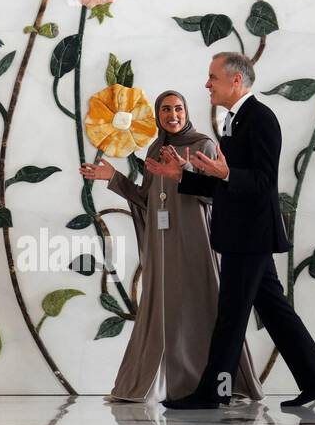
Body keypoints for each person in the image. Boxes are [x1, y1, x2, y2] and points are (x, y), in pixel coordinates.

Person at [148, 52, 315, 409]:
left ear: (236, 80)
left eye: (212, 77)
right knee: (274, 309)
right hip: (241, 234)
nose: (206, 84)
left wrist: (225, 173)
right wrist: (183, 177)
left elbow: (264, 182)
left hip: (250, 236)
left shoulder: (261, 119)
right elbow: (228, 189)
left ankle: (212, 392)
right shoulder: (233, 121)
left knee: (231, 315)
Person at [80, 90, 263, 404]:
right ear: (157, 115)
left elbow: (217, 194)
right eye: (166, 110)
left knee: (202, 306)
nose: (173, 115)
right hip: (162, 245)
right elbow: (147, 200)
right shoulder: (157, 147)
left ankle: (216, 382)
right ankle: (168, 382)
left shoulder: (203, 145)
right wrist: (114, 178)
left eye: (178, 108)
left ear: (186, 111)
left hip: (196, 240)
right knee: (165, 310)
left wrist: (185, 173)